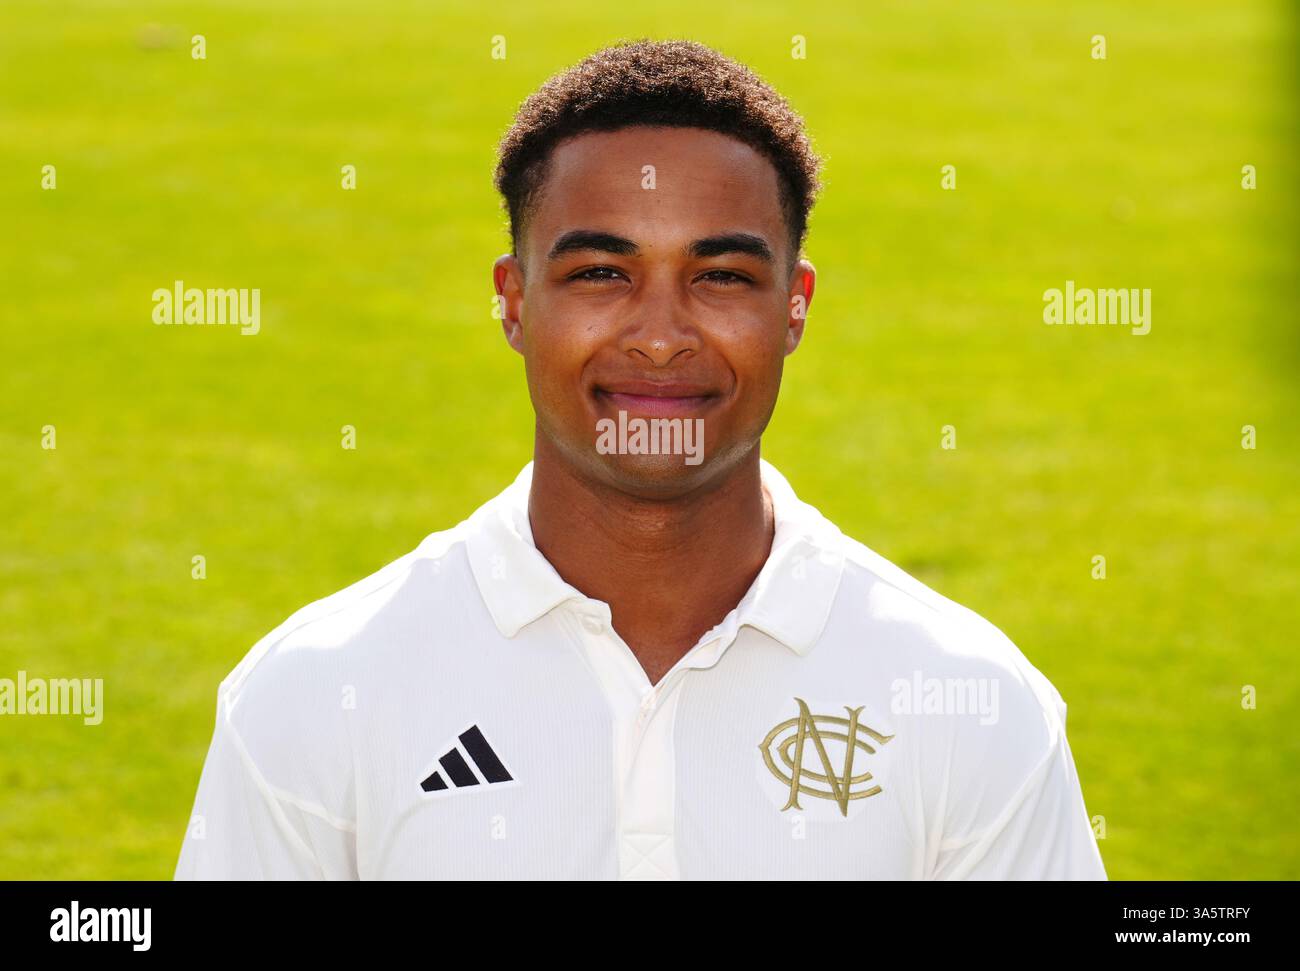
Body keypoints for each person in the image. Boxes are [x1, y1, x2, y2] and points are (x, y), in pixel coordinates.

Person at [175, 39, 1106, 880]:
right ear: (512, 298)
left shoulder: (972, 700)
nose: (661, 339)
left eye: (722, 277)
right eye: (600, 273)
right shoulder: (314, 692)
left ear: (795, 306)